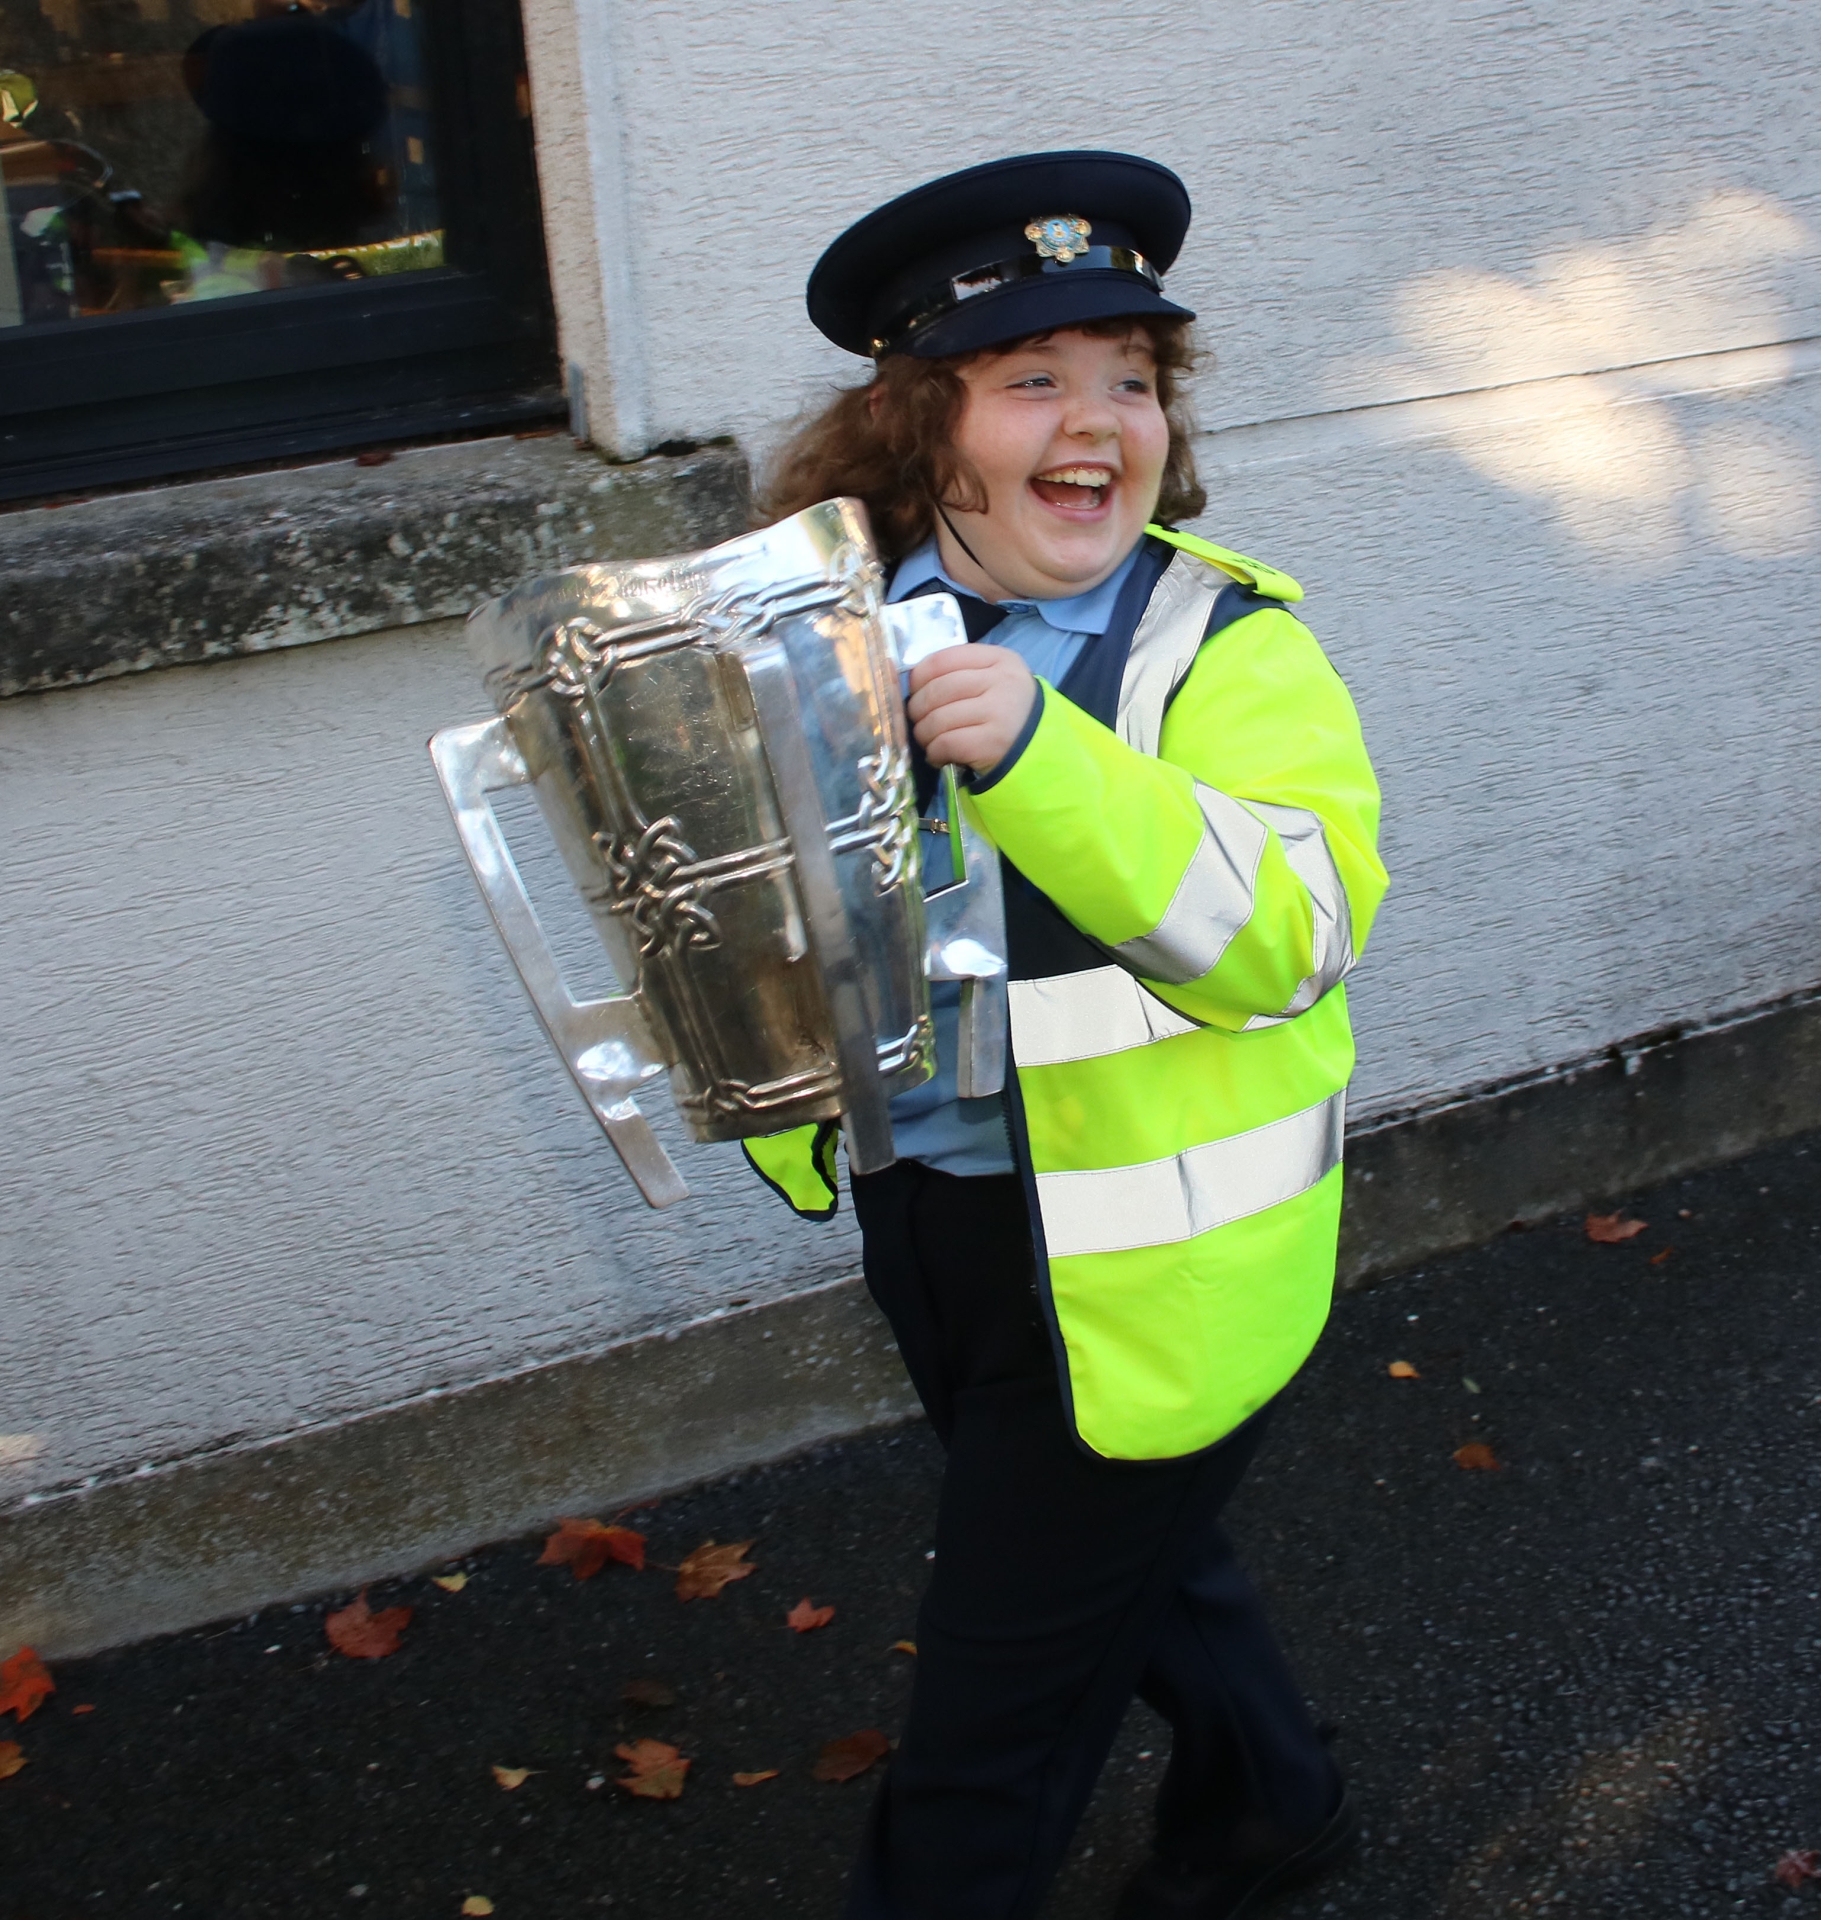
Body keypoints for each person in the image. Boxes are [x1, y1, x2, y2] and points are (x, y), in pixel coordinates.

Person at [746, 151, 1389, 1920]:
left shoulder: (1226, 650)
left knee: (993, 1722)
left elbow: (1293, 936)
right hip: (934, 1210)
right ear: (918, 426)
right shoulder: (833, 625)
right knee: (1130, 1568)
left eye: (1130, 378)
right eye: (1032, 378)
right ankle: (1272, 1802)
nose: (1097, 419)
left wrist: (1042, 752)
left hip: (1158, 1254)